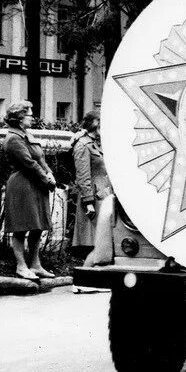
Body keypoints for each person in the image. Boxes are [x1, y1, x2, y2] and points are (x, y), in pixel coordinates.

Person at [1, 100, 57, 279]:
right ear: (19, 117)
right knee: (21, 227)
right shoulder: (13, 138)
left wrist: (49, 173)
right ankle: (21, 266)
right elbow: (28, 164)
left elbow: (40, 159)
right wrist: (46, 180)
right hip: (22, 185)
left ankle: (35, 264)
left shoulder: (27, 134)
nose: (32, 118)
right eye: (29, 115)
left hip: (36, 184)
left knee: (37, 226)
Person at [70, 111, 111, 290]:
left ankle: (90, 280)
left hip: (103, 197)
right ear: (94, 125)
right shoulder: (83, 145)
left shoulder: (96, 143)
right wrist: (88, 202)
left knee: (101, 242)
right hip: (93, 200)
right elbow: (83, 177)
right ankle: (82, 282)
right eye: (100, 124)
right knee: (96, 243)